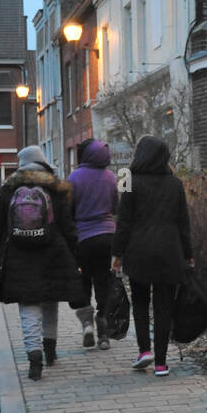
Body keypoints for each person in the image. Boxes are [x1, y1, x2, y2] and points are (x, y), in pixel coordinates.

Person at [0, 145, 83, 380]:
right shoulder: (55, 187)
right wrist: (77, 257)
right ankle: (50, 350)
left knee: (28, 308)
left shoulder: (9, 189)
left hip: (18, 255)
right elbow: (69, 227)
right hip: (53, 253)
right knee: (50, 301)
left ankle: (34, 360)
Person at [111, 136, 193, 377]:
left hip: (138, 252)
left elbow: (123, 222)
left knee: (139, 301)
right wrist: (189, 254)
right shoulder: (175, 184)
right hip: (169, 252)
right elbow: (183, 223)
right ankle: (160, 363)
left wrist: (117, 253)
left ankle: (144, 350)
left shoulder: (128, 180)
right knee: (163, 307)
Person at [67, 138, 120, 350]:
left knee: (83, 280)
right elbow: (116, 207)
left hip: (83, 238)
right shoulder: (110, 177)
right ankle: (104, 330)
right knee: (104, 281)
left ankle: (87, 323)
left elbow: (68, 209)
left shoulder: (74, 177)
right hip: (108, 237)